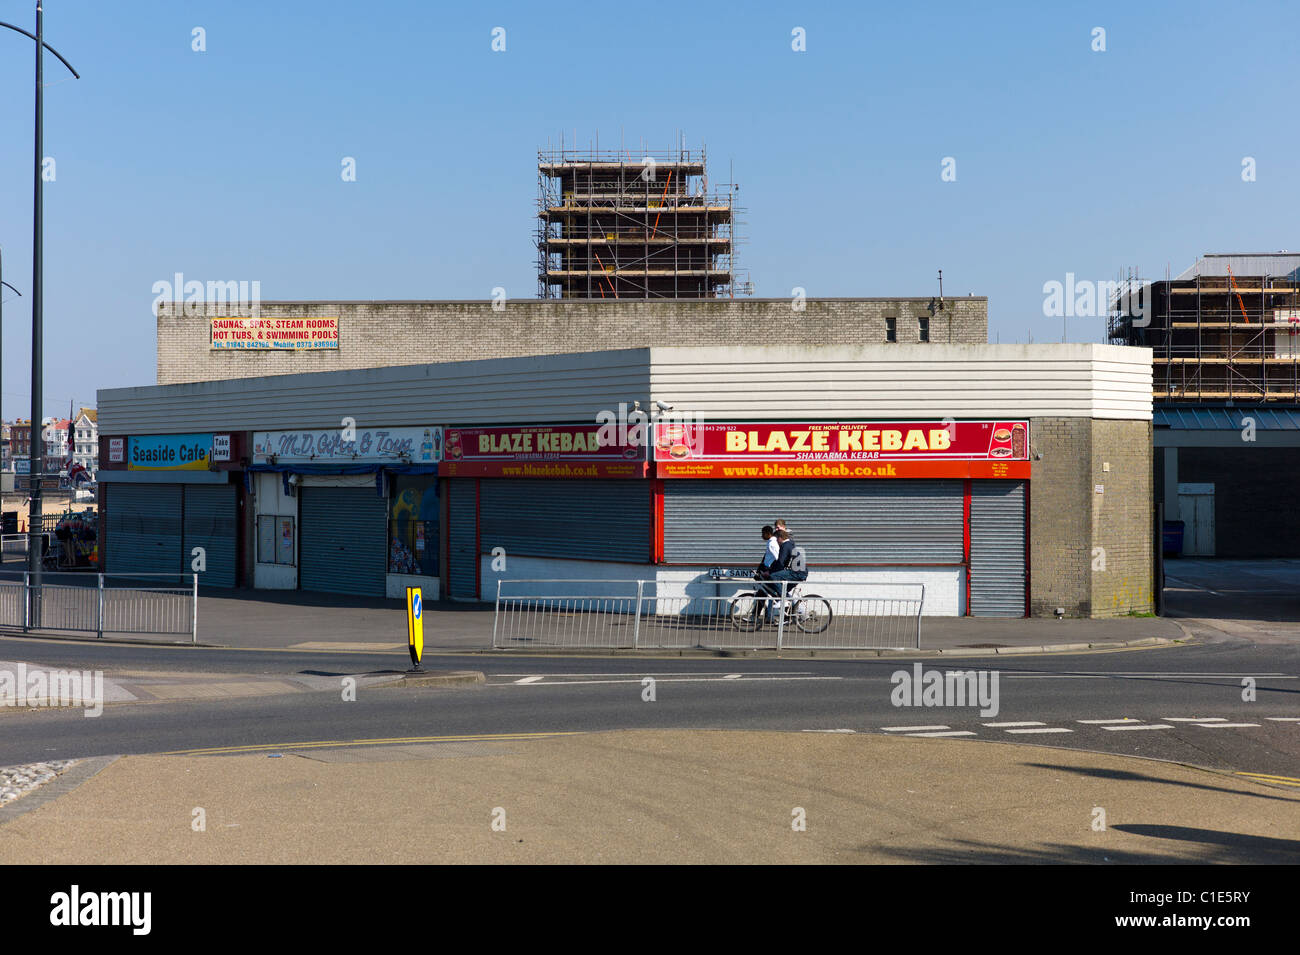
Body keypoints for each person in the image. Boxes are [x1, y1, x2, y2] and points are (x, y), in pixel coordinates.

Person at [767, 529, 808, 622]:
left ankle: (784, 601)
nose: (776, 542)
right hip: (800, 572)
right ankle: (800, 613)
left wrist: (770, 572)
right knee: (784, 591)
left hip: (797, 573)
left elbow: (781, 562)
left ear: (780, 538)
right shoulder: (789, 544)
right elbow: (783, 562)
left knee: (774, 577)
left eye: (777, 539)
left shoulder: (785, 546)